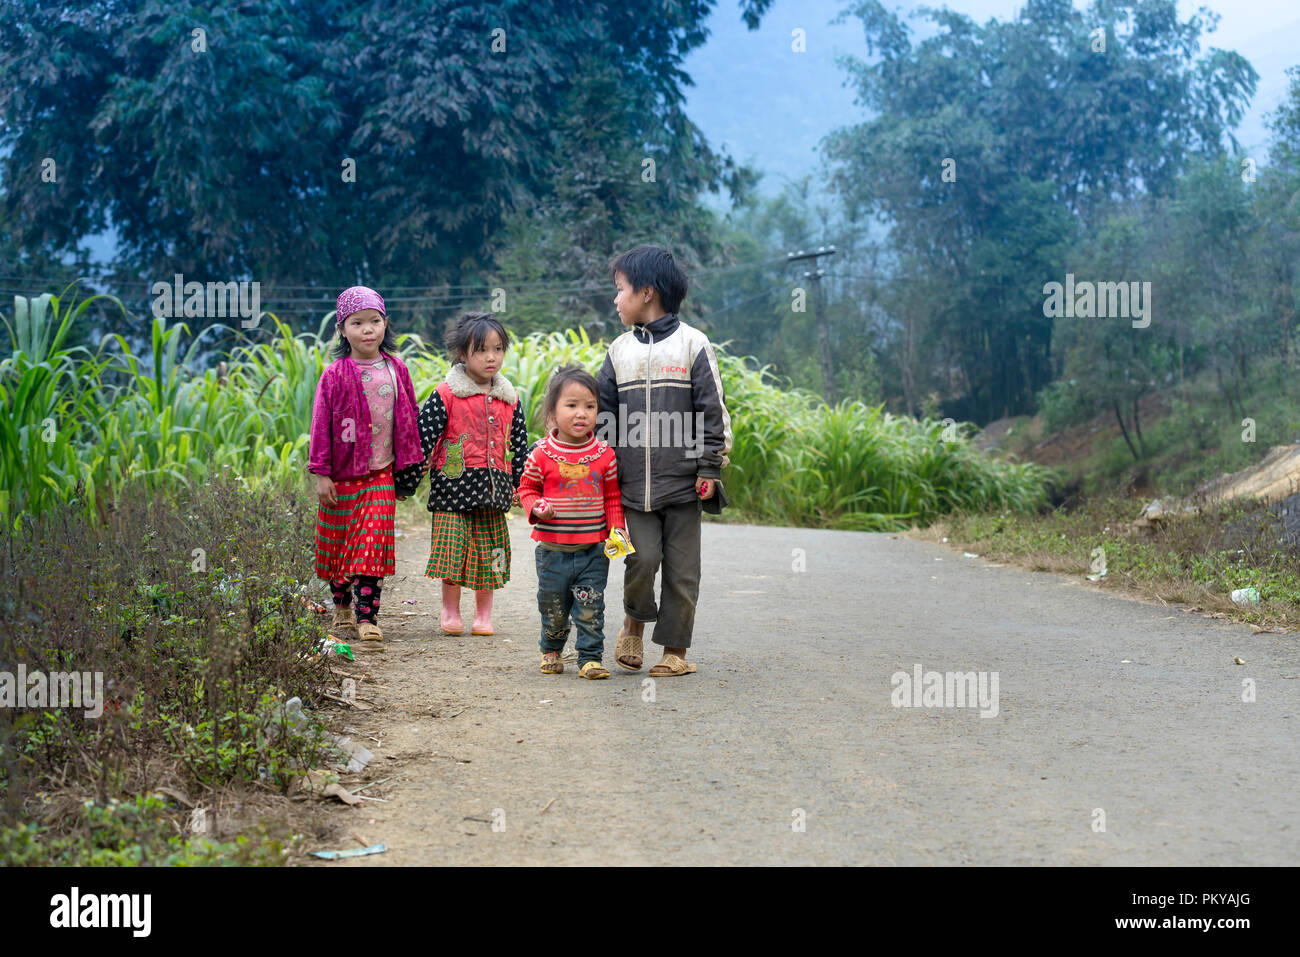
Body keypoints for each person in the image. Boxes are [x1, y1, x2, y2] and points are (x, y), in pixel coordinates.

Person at [597, 245, 732, 677]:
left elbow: (713, 410)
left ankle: (675, 650)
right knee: (641, 559)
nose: (615, 300)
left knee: (682, 572)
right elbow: (605, 417)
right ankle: (633, 621)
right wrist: (600, 469)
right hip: (632, 488)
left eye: (620, 290)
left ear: (647, 293)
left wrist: (710, 466)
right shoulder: (619, 351)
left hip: (684, 485)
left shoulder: (693, 345)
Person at [308, 286, 427, 653]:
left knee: (372, 546)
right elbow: (321, 424)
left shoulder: (396, 369)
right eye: (357, 323)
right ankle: (341, 605)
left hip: (380, 475)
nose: (367, 329)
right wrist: (321, 473)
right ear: (342, 330)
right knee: (339, 547)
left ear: (385, 324)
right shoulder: (334, 375)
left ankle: (366, 619)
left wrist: (410, 465)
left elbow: (410, 418)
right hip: (342, 476)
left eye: (374, 321)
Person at [417, 312, 528, 636]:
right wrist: (407, 480)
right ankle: (450, 612)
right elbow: (423, 439)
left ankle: (483, 616)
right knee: (452, 550)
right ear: (463, 354)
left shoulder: (510, 399)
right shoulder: (446, 394)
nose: (491, 357)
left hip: (494, 491)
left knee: (490, 553)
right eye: (481, 350)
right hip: (452, 490)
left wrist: (522, 487)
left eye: (497, 349)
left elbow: (519, 447)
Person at [516, 365, 627, 679]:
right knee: (553, 609)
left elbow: (612, 498)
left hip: (593, 551)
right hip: (552, 553)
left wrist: (616, 530)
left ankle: (590, 658)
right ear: (553, 411)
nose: (582, 414)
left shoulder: (604, 455)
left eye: (589, 406)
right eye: (572, 405)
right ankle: (551, 650)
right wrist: (537, 507)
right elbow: (526, 488)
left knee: (590, 607)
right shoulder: (541, 454)